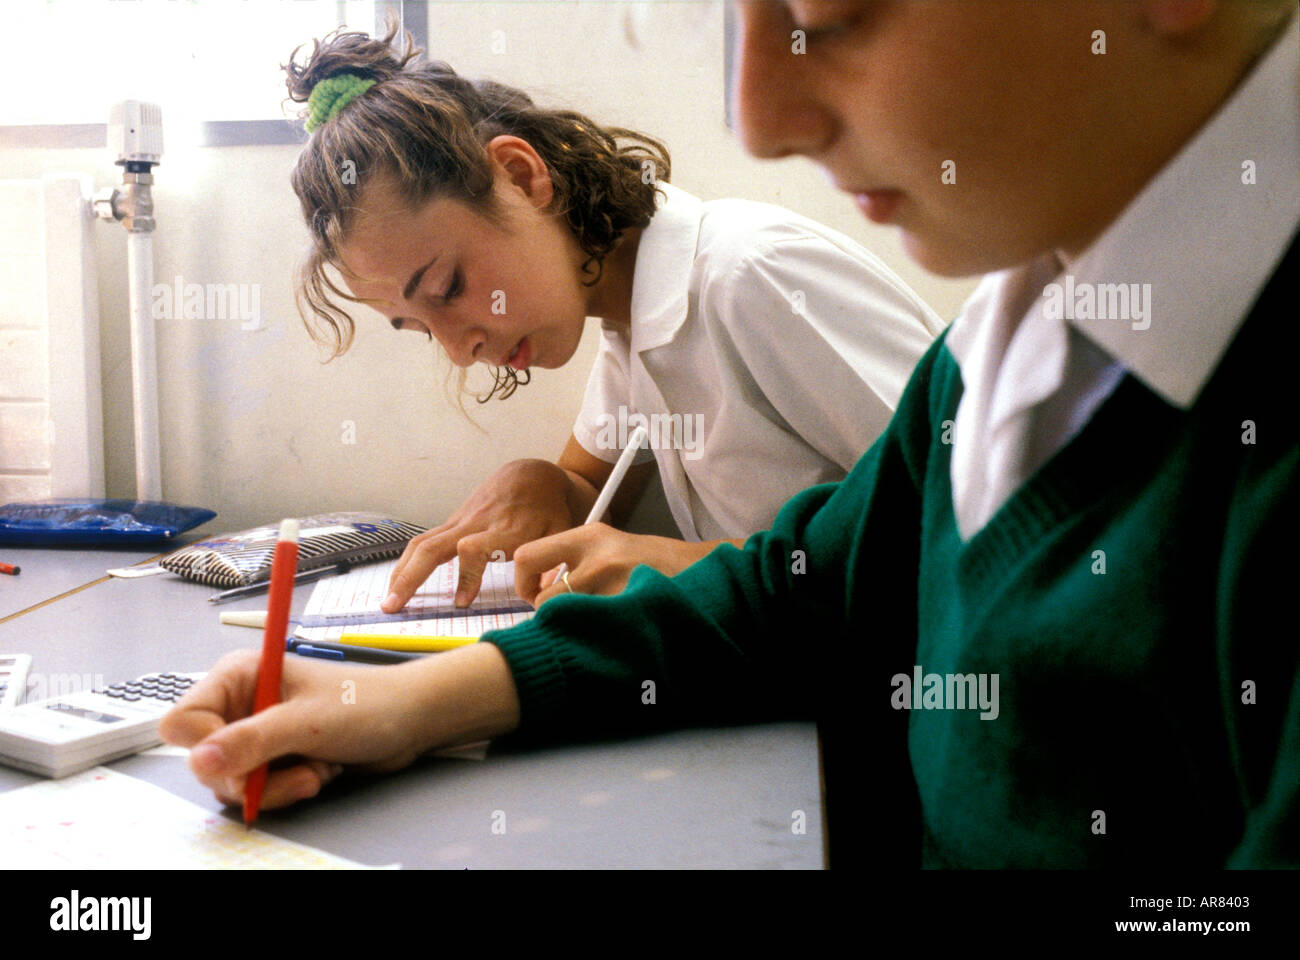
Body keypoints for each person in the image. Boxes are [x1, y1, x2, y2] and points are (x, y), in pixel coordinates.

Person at [162, 0, 1299, 868]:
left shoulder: (750, 275)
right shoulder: (1004, 341)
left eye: (826, 15)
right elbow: (795, 591)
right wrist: (396, 701)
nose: (759, 121)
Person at [285, 25, 942, 613]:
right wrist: (538, 482)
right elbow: (589, 487)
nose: (459, 350)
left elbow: (973, 515)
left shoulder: (747, 277)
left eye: (448, 286)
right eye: (422, 327)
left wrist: (687, 564)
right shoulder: (632, 318)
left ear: (519, 175)